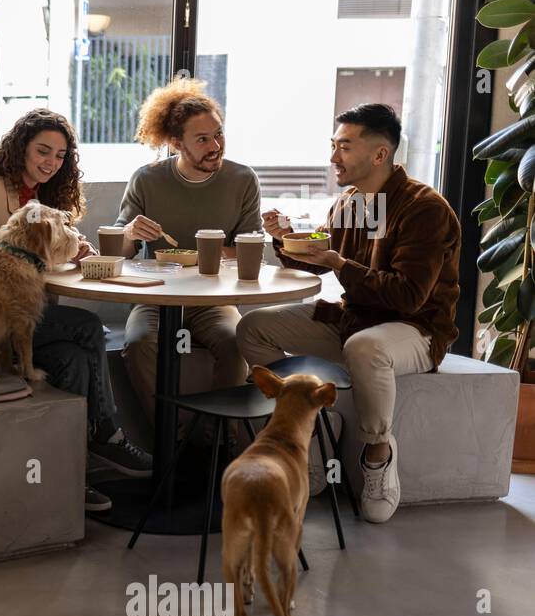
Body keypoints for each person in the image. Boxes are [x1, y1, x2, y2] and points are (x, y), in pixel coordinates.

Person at [237, 103, 461, 523]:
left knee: (364, 349)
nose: (333, 158)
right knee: (253, 328)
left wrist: (339, 263)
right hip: (354, 318)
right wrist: (286, 240)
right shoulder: (350, 203)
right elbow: (324, 258)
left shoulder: (424, 208)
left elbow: (409, 296)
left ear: (379, 155)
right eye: (333, 145)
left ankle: (378, 453)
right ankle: (311, 448)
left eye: (344, 146)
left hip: (416, 330)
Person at [0, 108, 153, 514]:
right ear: (21, 149)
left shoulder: (49, 199)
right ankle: (107, 434)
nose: (51, 162)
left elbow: (44, 260)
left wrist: (76, 251)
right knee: (88, 326)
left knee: (77, 358)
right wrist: (52, 258)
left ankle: (73, 475)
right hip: (0, 325)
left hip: (34, 320)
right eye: (42, 151)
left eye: (60, 155)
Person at [113, 77, 259, 433]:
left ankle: (216, 440)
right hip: (156, 295)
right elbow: (116, 251)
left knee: (234, 341)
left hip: (214, 296)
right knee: (138, 343)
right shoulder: (147, 180)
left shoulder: (242, 179)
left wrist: (200, 255)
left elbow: (247, 249)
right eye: (203, 139)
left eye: (219, 134)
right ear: (176, 143)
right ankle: (172, 438)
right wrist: (131, 232)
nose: (216, 146)